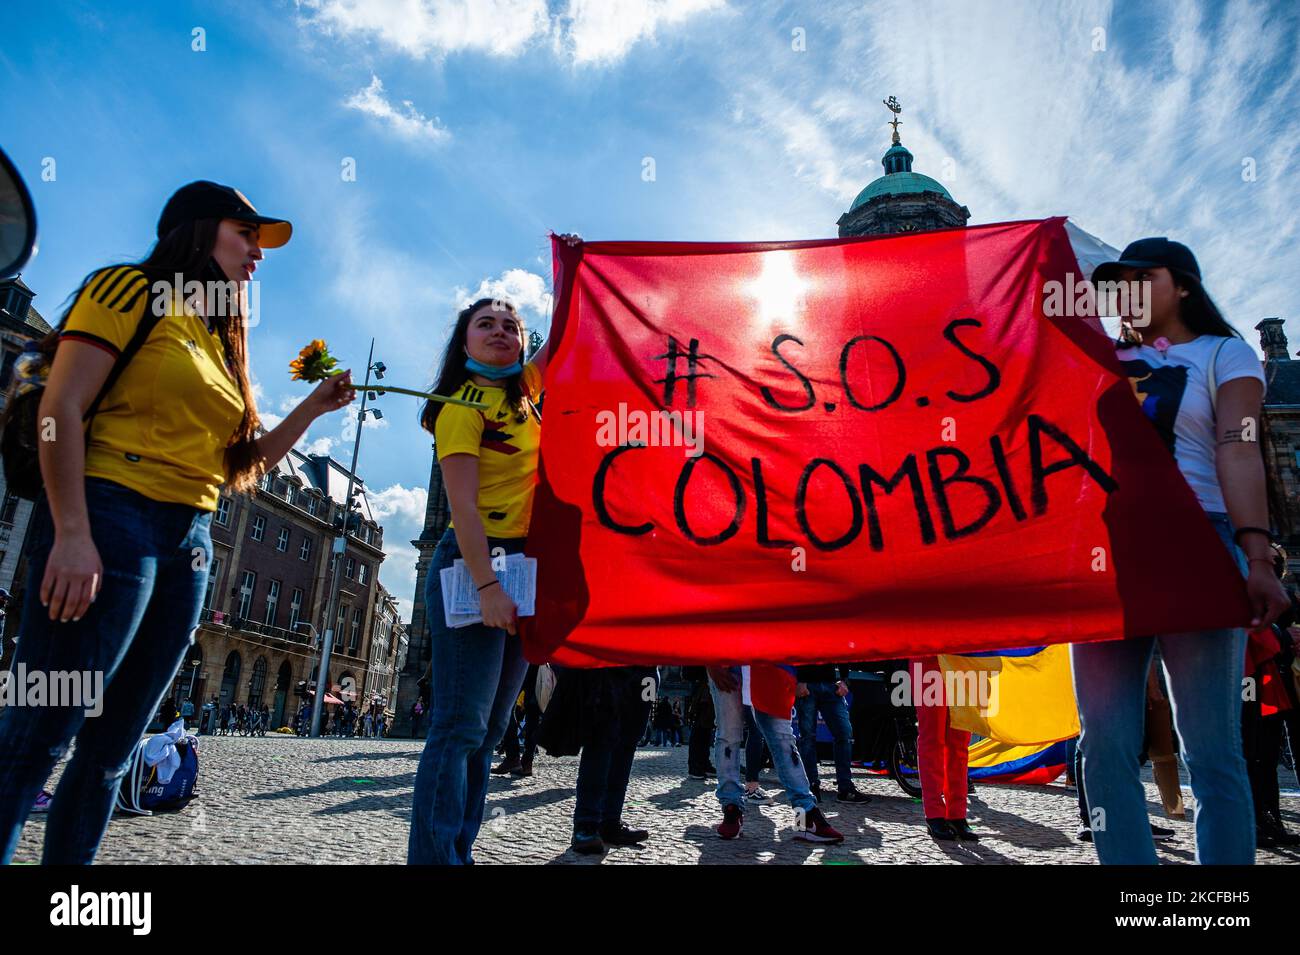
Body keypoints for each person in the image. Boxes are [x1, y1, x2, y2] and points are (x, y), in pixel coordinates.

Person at [0, 180, 354, 865]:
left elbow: (235, 465)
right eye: (245, 234)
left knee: (109, 754)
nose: (257, 253)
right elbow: (61, 408)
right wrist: (72, 530)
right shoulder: (126, 290)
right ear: (195, 228)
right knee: (36, 739)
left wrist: (310, 411)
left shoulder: (222, 341)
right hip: (109, 515)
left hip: (188, 541)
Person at [1072, 237, 1288, 865]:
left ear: (1185, 286)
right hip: (1109, 556)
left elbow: (1238, 449)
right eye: (1119, 281)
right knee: (1105, 741)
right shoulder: (1095, 360)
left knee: (1211, 748)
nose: (1127, 290)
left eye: (1145, 276)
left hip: (1200, 545)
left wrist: (1255, 556)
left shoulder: (1226, 354)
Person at [407, 293, 550, 866]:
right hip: (477, 561)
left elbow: (563, 336)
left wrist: (573, 268)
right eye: (484, 324)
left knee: (489, 731)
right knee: (459, 727)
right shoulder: (463, 405)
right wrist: (487, 586)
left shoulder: (523, 395)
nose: (499, 332)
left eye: (510, 326)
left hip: (519, 565)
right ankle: (434, 859)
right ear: (462, 341)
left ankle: (457, 853)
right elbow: (461, 509)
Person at [707, 665, 844, 843]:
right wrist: (710, 663)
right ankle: (731, 808)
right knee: (728, 736)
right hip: (727, 661)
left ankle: (805, 815)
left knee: (782, 738)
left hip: (768, 665)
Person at [570, 666, 655, 854]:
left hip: (647, 665)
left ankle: (610, 821)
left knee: (630, 738)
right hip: (610, 660)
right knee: (600, 736)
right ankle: (587, 823)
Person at [910, 656, 976, 841]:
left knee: (960, 743)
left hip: (965, 662)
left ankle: (957, 815)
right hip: (928, 658)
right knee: (932, 739)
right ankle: (934, 814)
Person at [794, 664, 871, 804]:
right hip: (807, 684)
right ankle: (811, 786)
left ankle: (845, 788)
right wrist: (799, 680)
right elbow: (795, 648)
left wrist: (844, 679)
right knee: (808, 737)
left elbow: (841, 647)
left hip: (830, 683)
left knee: (844, 733)